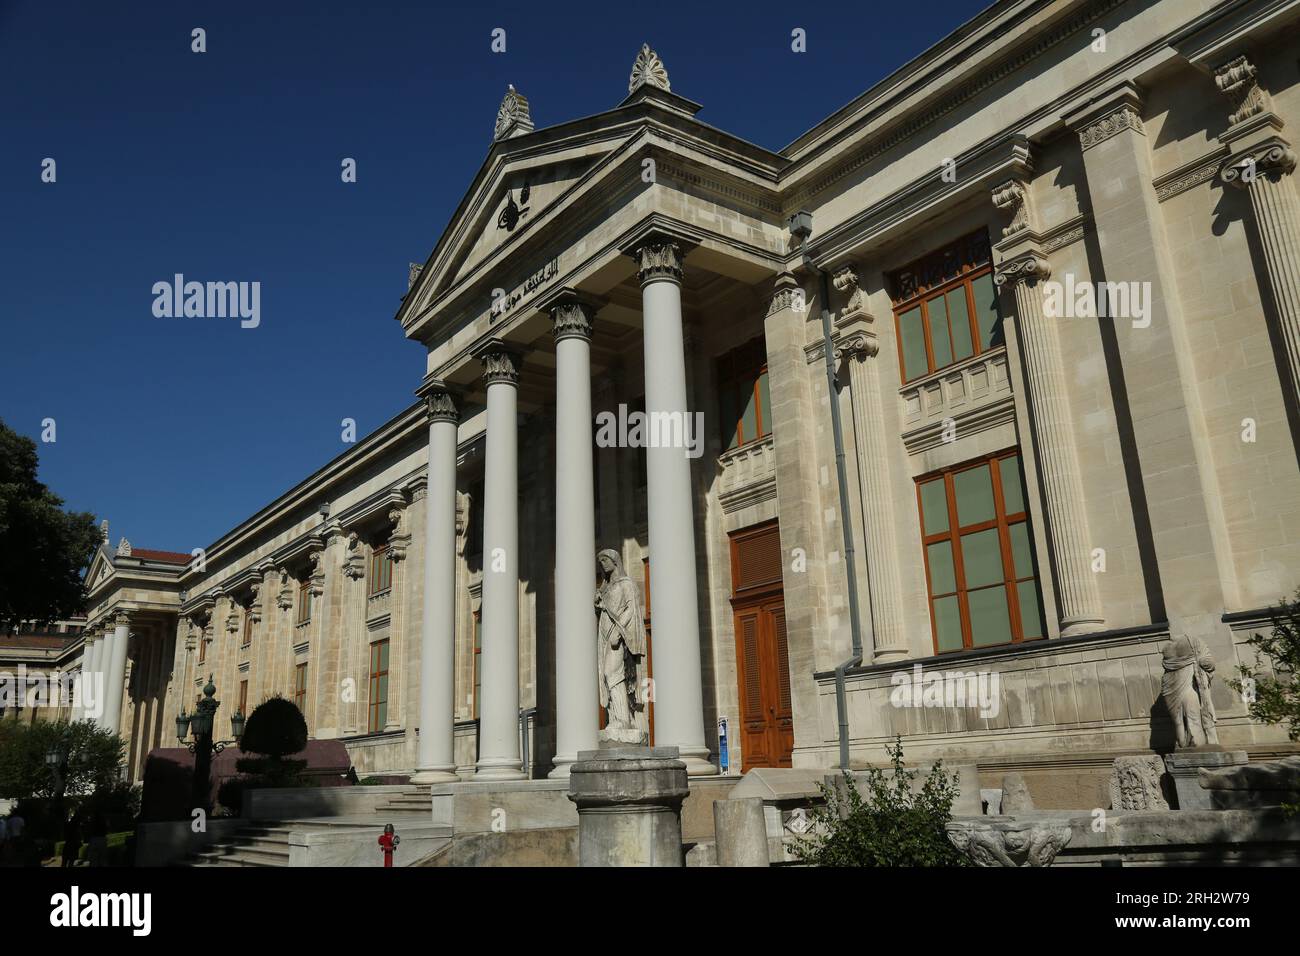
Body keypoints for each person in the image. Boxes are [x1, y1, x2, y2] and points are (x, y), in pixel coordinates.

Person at [595, 548, 649, 743]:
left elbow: (631, 610)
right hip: (605, 636)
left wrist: (619, 632)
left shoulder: (627, 584)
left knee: (613, 674)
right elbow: (606, 611)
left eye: (605, 560)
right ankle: (616, 717)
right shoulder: (606, 587)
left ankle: (623, 720)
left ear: (615, 561)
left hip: (618, 637)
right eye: (600, 561)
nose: (602, 564)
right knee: (606, 676)